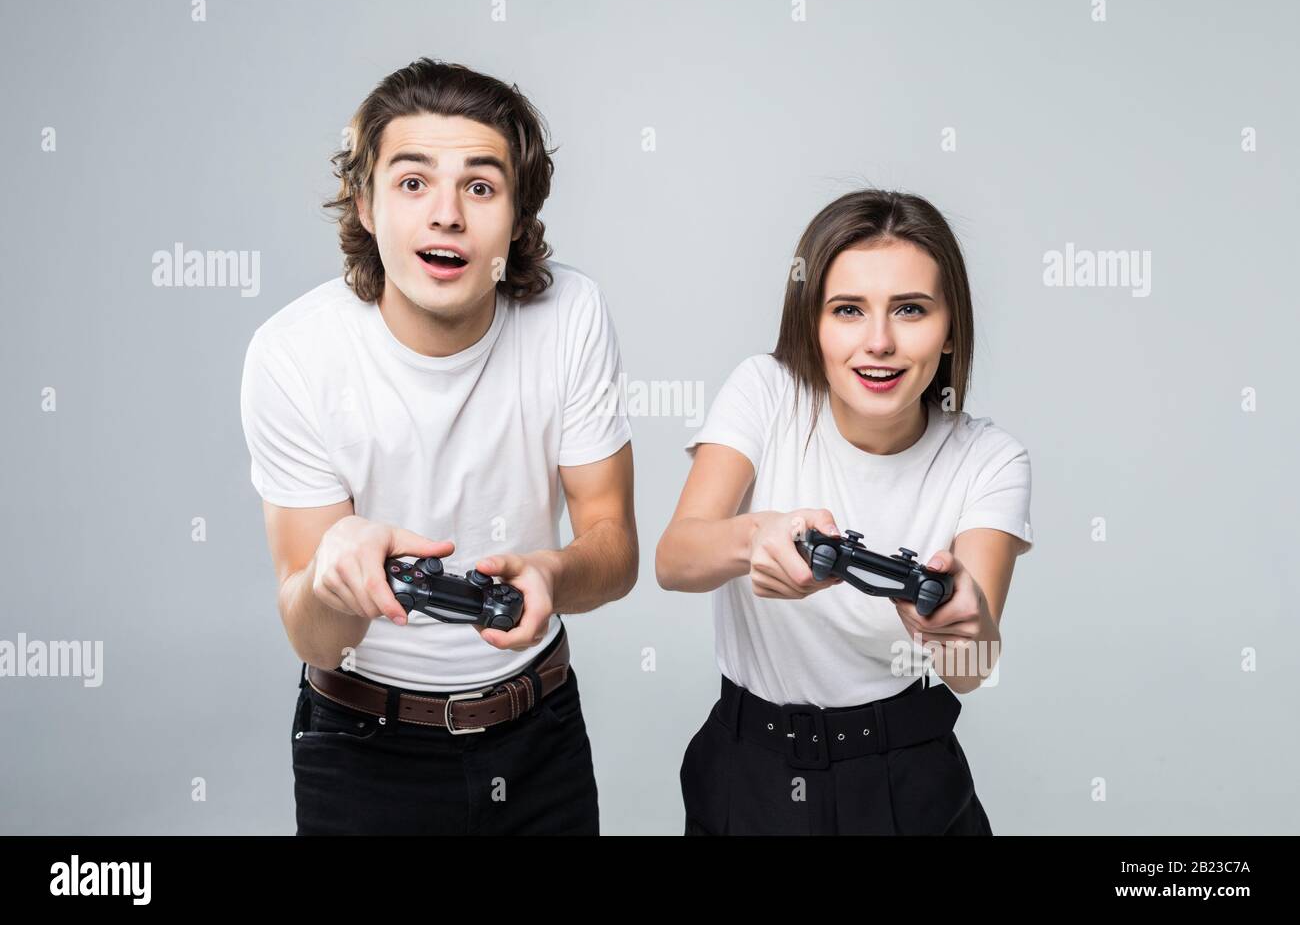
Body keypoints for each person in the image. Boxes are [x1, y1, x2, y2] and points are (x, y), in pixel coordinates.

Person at [239, 58, 637, 834]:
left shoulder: (572, 316)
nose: (446, 215)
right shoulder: (293, 353)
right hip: (361, 748)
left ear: (520, 216)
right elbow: (308, 632)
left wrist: (554, 572)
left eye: (481, 187)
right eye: (413, 182)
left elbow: (613, 549)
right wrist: (333, 578)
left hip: (537, 734)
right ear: (365, 200)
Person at [656, 189, 1032, 835]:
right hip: (749, 768)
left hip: (905, 773)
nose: (878, 342)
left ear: (949, 332)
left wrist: (956, 626)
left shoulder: (990, 459)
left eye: (910, 310)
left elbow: (969, 673)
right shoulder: (766, 392)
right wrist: (756, 538)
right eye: (849, 310)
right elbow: (675, 558)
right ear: (813, 324)